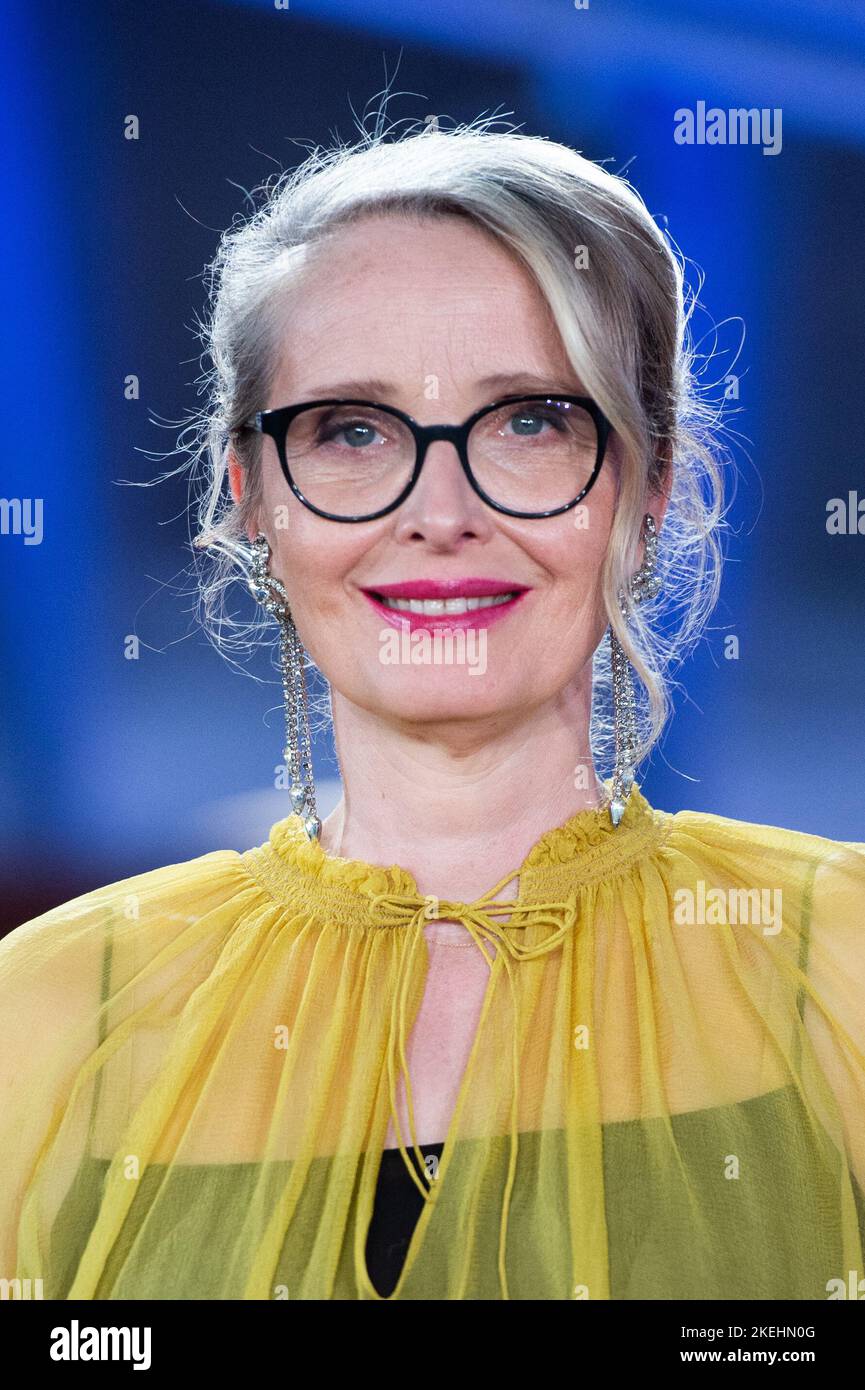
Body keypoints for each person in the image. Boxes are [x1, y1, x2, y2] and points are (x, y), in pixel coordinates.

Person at [1, 121, 863, 1302]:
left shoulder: (842, 961)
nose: (439, 510)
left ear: (650, 481)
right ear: (252, 497)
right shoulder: (48, 1008)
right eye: (353, 432)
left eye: (529, 421)